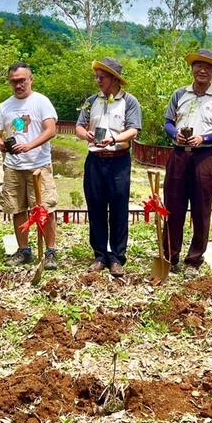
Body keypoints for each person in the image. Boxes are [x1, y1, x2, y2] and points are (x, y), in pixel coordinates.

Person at [163, 49, 212, 272]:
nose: (202, 70)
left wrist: (203, 138)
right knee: (173, 206)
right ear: (192, 68)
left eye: (208, 67)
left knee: (201, 208)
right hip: (178, 155)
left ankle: (194, 260)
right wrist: (174, 132)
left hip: (204, 156)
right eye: (198, 65)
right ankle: (170, 256)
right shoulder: (179, 94)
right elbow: (167, 122)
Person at [76, 58, 143, 277]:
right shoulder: (91, 101)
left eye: (101, 77)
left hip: (118, 161)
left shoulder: (129, 101)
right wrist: (85, 134)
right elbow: (79, 125)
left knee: (118, 208)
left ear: (114, 79)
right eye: (96, 76)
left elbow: (133, 130)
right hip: (95, 160)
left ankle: (117, 257)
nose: (98, 81)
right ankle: (99, 255)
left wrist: (113, 139)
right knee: (95, 207)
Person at [0, 63, 59, 270]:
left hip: (38, 165)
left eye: (22, 80)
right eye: (14, 81)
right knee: (17, 208)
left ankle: (50, 251)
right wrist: (1, 145)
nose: (19, 85)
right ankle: (24, 250)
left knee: (45, 208)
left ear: (31, 79)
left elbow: (51, 130)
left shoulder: (41, 102)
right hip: (13, 166)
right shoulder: (4, 106)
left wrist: (29, 145)